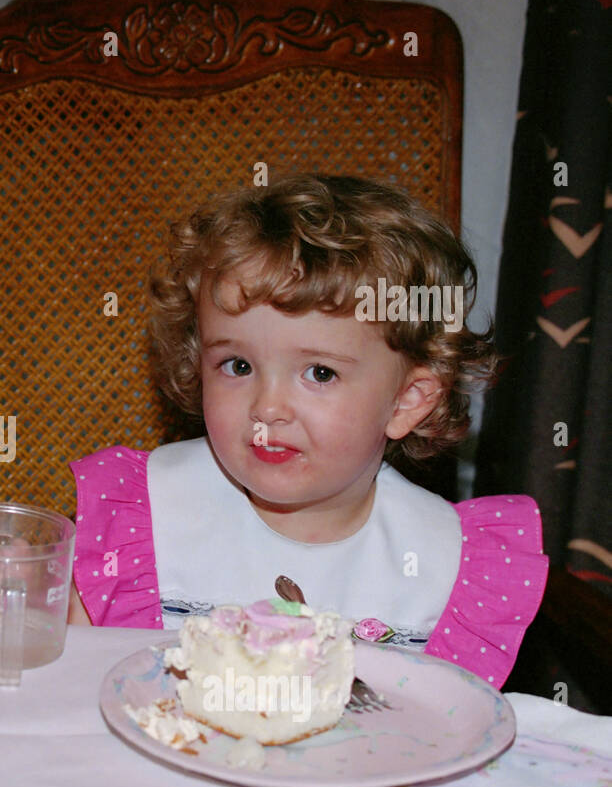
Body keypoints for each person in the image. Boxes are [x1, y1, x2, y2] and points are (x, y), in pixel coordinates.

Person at [69, 174, 547, 687]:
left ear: (407, 401)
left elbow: (447, 736)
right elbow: (69, 691)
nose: (268, 407)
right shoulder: (139, 520)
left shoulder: (450, 570)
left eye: (320, 373)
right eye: (236, 365)